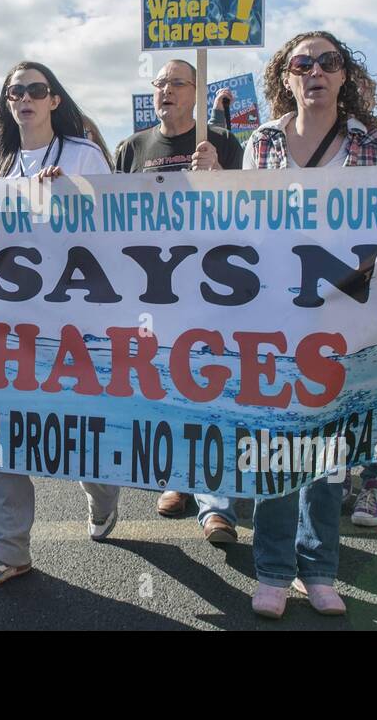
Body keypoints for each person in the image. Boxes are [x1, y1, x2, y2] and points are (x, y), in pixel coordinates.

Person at [234, 31, 377, 619]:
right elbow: (240, 222)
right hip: (274, 315)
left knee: (329, 449)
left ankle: (320, 569)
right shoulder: (262, 142)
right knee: (277, 443)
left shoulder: (375, 144)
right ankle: (273, 570)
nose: (315, 72)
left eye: (327, 62)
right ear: (285, 78)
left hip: (346, 318)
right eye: (302, 63)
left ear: (344, 76)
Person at [0, 61, 116, 588]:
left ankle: (102, 491)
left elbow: (118, 227)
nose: (25, 98)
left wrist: (73, 198)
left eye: (36, 89)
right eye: (16, 91)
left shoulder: (83, 155)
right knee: (1, 424)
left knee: (81, 427)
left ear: (54, 99)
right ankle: (8, 544)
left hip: (74, 318)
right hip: (9, 320)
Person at [114, 59, 243, 544]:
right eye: (160, 82)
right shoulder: (132, 148)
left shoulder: (223, 142)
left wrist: (219, 175)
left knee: (212, 385)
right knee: (166, 385)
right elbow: (111, 217)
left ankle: (217, 502)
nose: (166, 90)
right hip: (153, 290)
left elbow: (249, 212)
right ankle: (176, 479)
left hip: (212, 288)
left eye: (177, 83)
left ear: (197, 92)